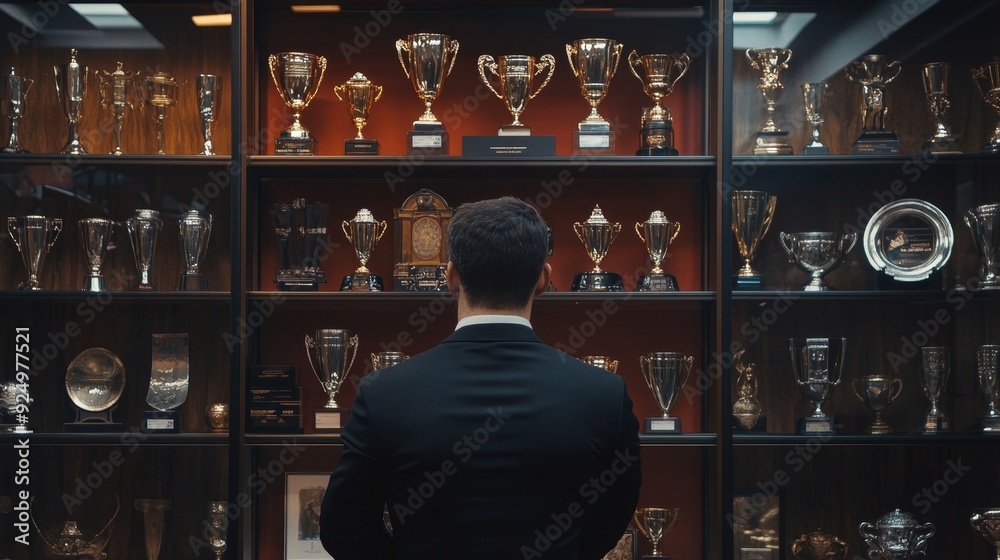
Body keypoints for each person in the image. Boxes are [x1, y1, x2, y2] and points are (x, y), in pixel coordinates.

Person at [320, 197, 642, 560]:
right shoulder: (604, 395)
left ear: (451, 276)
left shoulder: (384, 393)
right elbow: (612, 516)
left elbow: (343, 529)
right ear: (543, 278)